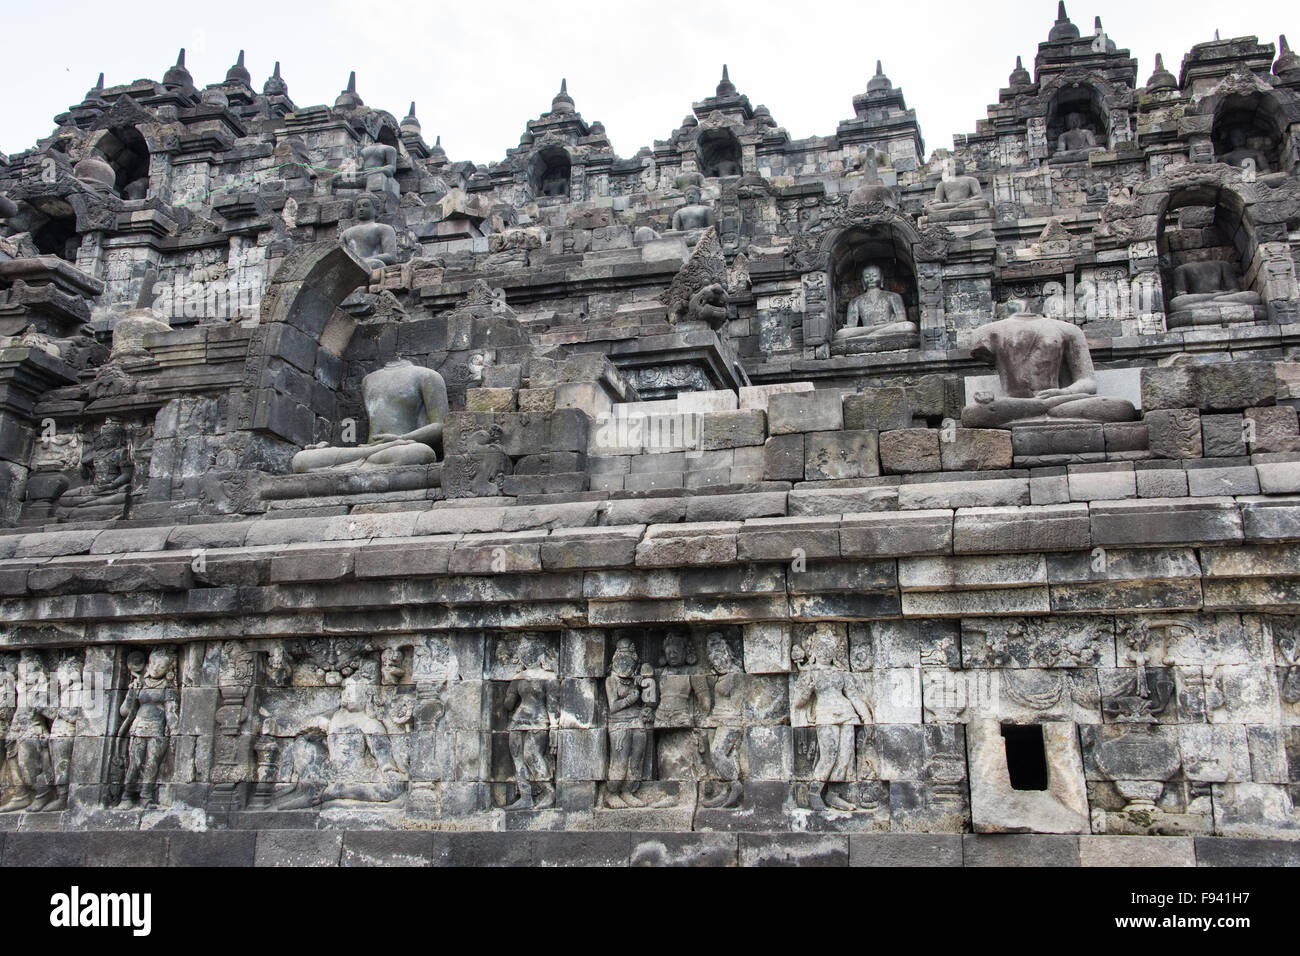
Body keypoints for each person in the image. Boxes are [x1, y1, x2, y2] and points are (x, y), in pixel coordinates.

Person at [960, 300, 1139, 427]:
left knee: (1121, 407)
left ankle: (1042, 409)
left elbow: (1088, 382)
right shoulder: (985, 333)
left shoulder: (1069, 330)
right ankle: (1042, 409)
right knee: (973, 413)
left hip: (1059, 399)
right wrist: (988, 398)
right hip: (1016, 403)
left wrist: (1064, 392)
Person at [291, 358, 448, 472]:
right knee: (300, 460)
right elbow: (351, 433)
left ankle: (347, 468)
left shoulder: (427, 376)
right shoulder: (368, 380)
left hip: (395, 450)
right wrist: (325, 450)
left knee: (420, 453)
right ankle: (360, 463)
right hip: (367, 450)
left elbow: (441, 426)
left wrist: (401, 439)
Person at [503, 637, 560, 810]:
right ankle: (526, 796)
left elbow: (509, 704)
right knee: (520, 758)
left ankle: (549, 791)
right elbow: (509, 704)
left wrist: (554, 728)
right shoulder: (522, 677)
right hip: (522, 721)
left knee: (530, 756)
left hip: (537, 721)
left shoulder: (547, 677)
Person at [835, 264, 917, 344]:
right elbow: (851, 326)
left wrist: (888, 324)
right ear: (862, 280)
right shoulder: (855, 302)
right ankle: (876, 331)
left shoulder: (893, 296)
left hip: (887, 327)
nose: (871, 279)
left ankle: (873, 333)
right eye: (867, 277)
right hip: (868, 329)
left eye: (874, 276)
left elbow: (902, 320)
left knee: (909, 326)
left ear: (881, 278)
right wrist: (850, 327)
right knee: (841, 334)